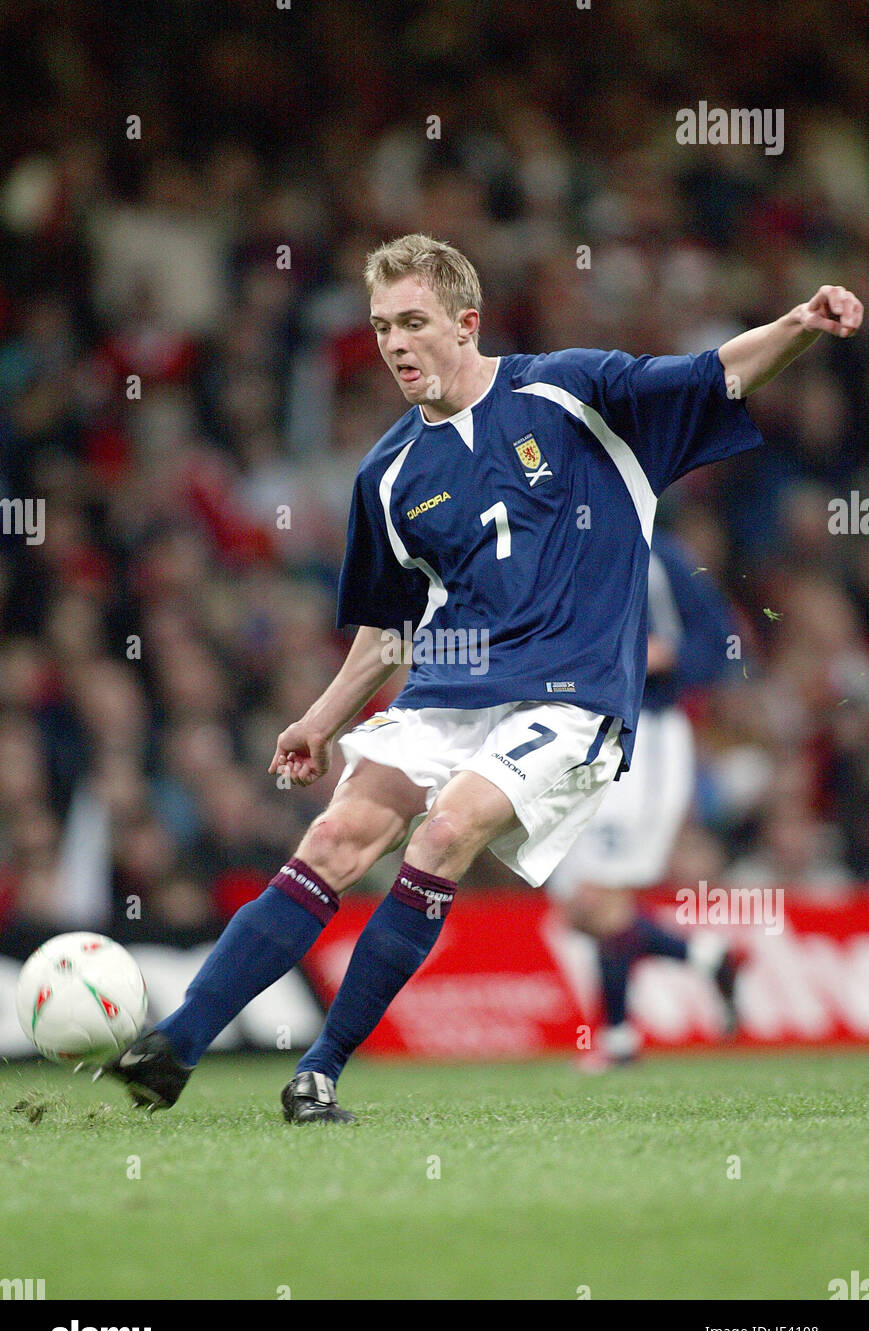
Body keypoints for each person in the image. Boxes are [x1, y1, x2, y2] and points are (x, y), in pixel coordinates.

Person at [100, 234, 862, 1121]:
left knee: (443, 832)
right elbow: (390, 630)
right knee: (335, 840)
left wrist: (800, 324)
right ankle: (175, 1046)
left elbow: (715, 373)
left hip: (570, 701)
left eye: (414, 322)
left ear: (466, 324)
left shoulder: (571, 391)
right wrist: (318, 718)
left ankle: (319, 1071)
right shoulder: (386, 473)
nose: (394, 344)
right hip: (445, 695)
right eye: (383, 326)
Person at [547, 530, 747, 1069]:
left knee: (599, 895)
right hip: (573, 736)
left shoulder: (661, 554)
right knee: (581, 907)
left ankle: (617, 1042)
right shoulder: (555, 547)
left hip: (646, 734)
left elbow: (722, 641)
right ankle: (708, 958)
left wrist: (669, 657)